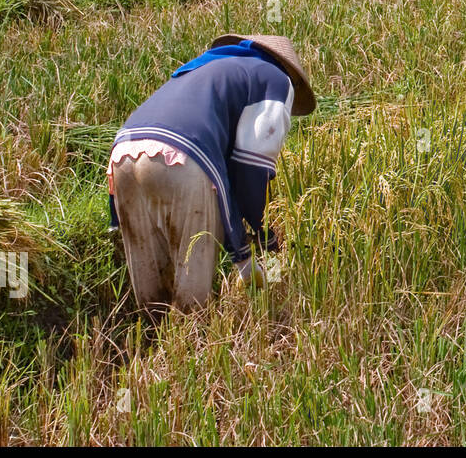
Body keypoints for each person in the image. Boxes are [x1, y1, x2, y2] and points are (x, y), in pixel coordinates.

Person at [107, 34, 316, 318]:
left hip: (122, 154)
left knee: (152, 299)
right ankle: (186, 352)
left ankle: (153, 349)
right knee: (191, 305)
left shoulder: (200, 69)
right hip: (183, 157)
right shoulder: (276, 79)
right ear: (291, 73)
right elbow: (252, 167)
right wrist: (261, 233)